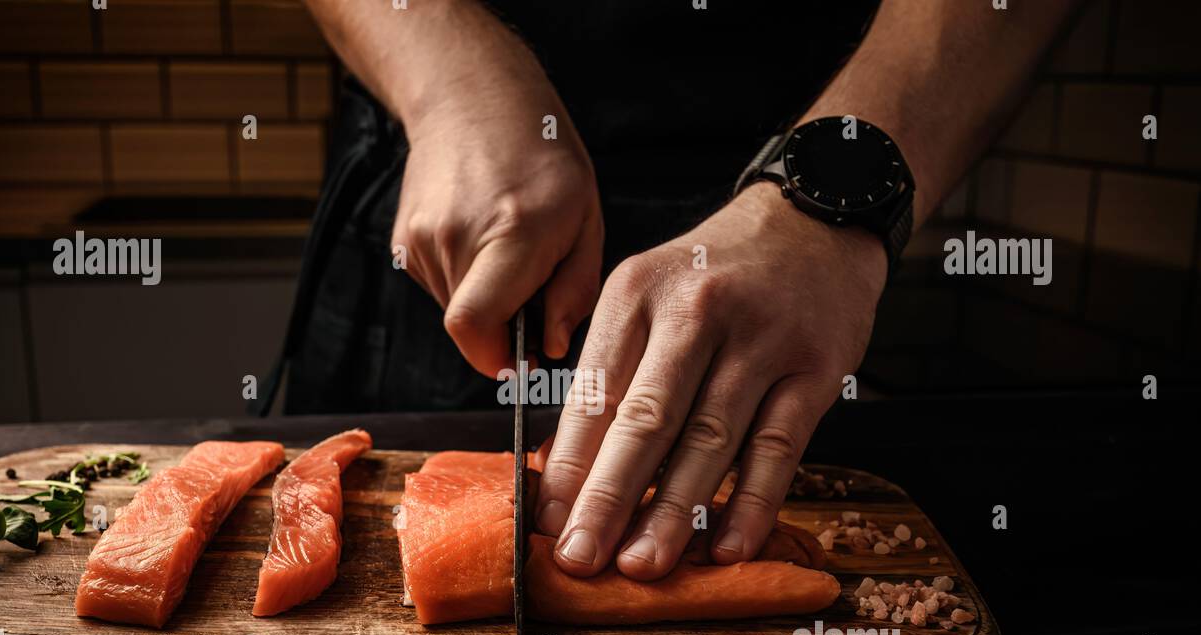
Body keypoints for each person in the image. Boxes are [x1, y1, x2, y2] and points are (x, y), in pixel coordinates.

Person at [286, 0, 1076, 581]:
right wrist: (448, 78)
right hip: (459, 185)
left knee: (795, 564)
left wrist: (829, 199)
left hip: (802, 217)